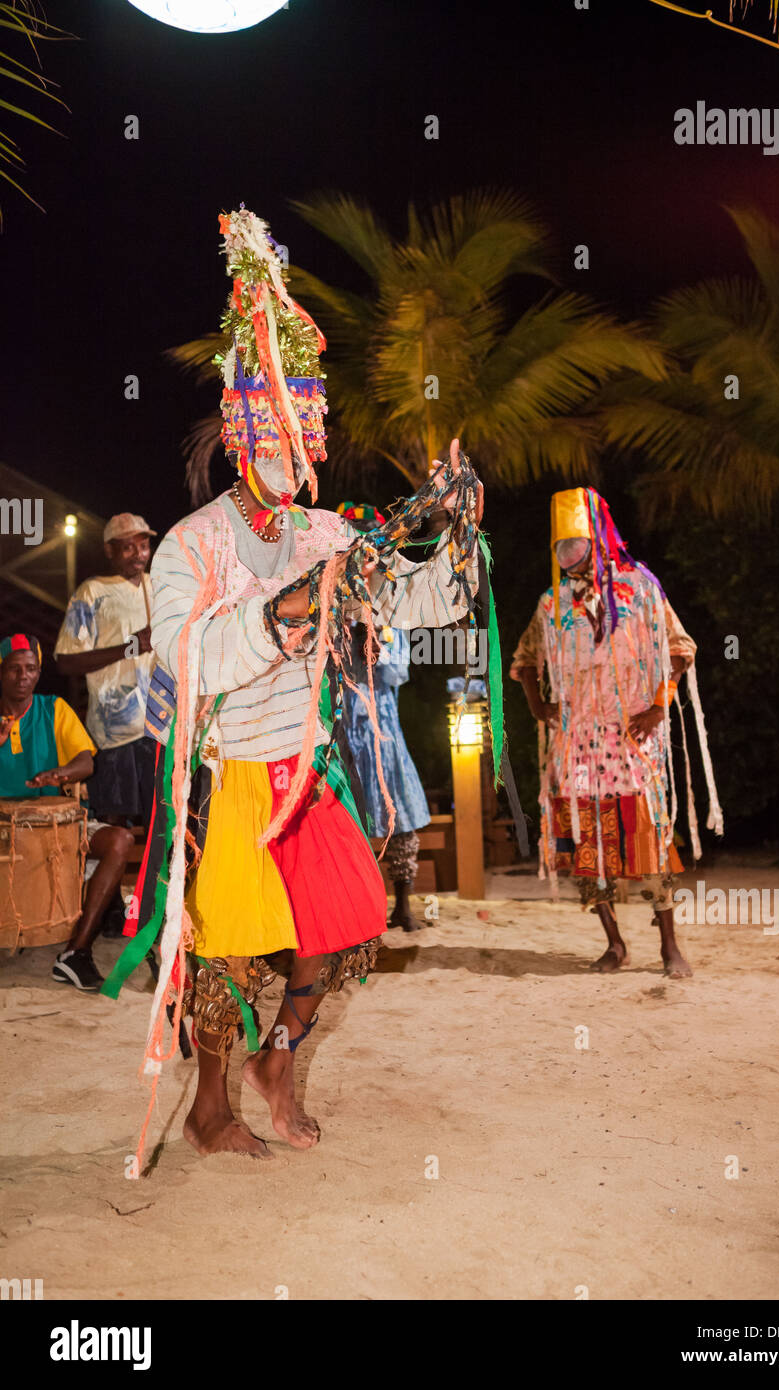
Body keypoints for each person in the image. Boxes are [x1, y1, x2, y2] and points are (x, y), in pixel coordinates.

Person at [108, 208, 483, 1162]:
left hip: (306, 770)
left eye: (306, 428)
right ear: (241, 437)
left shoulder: (327, 535)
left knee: (343, 926)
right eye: (277, 432)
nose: (297, 449)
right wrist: (274, 620)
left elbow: (415, 600)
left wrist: (461, 540)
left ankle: (278, 1060)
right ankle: (208, 1106)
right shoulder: (190, 544)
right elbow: (178, 662)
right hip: (228, 771)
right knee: (225, 952)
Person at [511, 488, 722, 978]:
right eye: (561, 544)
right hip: (574, 745)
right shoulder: (552, 603)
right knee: (587, 847)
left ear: (597, 538)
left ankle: (670, 946)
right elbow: (524, 661)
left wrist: (657, 704)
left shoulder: (639, 587)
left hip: (631, 739)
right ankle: (615, 944)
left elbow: (680, 647)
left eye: (577, 542)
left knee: (647, 838)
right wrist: (540, 705)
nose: (568, 553)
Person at [0, 633, 134, 990]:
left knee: (119, 840)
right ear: (1, 672)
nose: (22, 677)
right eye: (14, 669)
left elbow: (85, 760)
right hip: (2, 830)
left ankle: (76, 953)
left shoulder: (53, 709)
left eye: (30, 669)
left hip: (58, 826)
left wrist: (60, 773)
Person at [338, 501, 432, 932]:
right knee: (345, 818)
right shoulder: (328, 596)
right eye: (353, 534)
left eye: (368, 537)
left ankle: (405, 904)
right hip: (338, 723)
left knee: (399, 814)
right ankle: (356, 906)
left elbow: (398, 671)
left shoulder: (394, 603)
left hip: (381, 725)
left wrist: (371, 649)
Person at [54, 512, 158, 828]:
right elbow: (66, 661)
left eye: (143, 546)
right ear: (109, 551)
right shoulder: (93, 592)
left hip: (159, 725)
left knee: (162, 822)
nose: (138, 554)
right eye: (127, 548)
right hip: (114, 732)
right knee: (116, 824)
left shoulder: (158, 585)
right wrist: (131, 646)